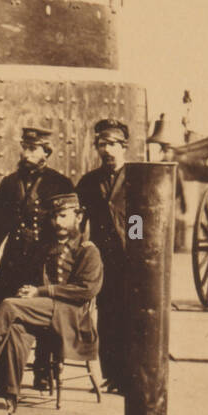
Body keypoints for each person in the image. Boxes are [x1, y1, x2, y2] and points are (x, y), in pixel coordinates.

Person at [0, 194, 103, 414]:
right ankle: (9, 396)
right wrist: (28, 291)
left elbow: (86, 290)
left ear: (79, 217)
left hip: (70, 315)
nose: (58, 223)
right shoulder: (45, 247)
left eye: (64, 216)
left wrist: (41, 291)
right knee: (17, 330)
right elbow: (33, 279)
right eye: (54, 217)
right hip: (44, 311)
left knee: (9, 306)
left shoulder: (87, 249)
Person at [75, 118, 130, 393]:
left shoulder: (137, 179)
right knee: (107, 316)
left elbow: (141, 218)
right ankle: (112, 375)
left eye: (112, 144)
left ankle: (131, 375)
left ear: (124, 147)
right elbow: (79, 220)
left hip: (130, 259)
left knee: (131, 316)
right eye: (101, 145)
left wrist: (133, 242)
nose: (106, 150)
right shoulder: (88, 182)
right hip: (102, 259)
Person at [0, 126, 75, 301]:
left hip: (44, 258)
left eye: (33, 149)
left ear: (46, 152)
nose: (26, 154)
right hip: (13, 259)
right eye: (24, 148)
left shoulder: (59, 183)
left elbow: (70, 226)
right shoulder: (9, 182)